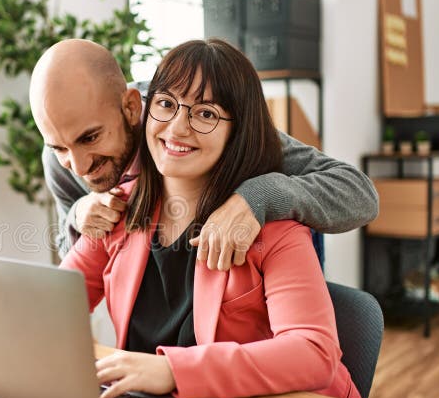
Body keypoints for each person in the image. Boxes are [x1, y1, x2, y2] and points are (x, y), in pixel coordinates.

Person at [57, 39, 363, 398]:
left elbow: (314, 353)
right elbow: (52, 305)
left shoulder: (271, 225)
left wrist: (172, 371)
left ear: (238, 130)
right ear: (144, 112)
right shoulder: (118, 209)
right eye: (166, 104)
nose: (177, 128)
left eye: (205, 114)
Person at [29, 39, 378, 268]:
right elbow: (71, 261)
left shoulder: (207, 128)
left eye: (91, 138)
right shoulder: (63, 162)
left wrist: (259, 194)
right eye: (58, 147)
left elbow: (360, 194)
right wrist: (77, 216)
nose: (79, 166)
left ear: (132, 108)